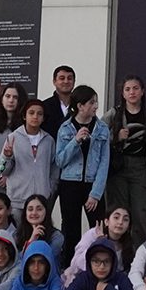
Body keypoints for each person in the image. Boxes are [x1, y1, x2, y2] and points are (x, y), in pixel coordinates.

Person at [107, 75, 146, 245]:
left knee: (141, 213)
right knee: (118, 213)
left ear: (142, 91)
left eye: (136, 88)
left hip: (141, 167)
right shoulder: (114, 113)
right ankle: (118, 255)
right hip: (118, 167)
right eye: (127, 89)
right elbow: (97, 136)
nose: (132, 92)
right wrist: (115, 136)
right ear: (122, 93)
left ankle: (142, 256)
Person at [55, 85, 110, 232]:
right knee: (71, 231)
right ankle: (71, 256)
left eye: (96, 102)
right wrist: (75, 141)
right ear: (80, 106)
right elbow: (60, 160)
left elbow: (104, 162)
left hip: (92, 184)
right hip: (70, 184)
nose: (96, 106)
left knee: (99, 230)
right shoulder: (65, 128)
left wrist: (96, 193)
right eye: (91, 102)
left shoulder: (102, 128)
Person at [0, 99, 58, 208]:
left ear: (43, 118)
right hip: (17, 201)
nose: (35, 116)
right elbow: (0, 170)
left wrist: (50, 188)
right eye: (31, 113)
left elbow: (54, 167)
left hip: (41, 201)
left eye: (39, 114)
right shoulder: (13, 138)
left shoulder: (49, 140)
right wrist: (6, 156)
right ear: (24, 116)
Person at [63, 205, 134, 287]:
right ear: (106, 221)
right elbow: (76, 264)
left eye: (125, 219)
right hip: (84, 280)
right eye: (116, 217)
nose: (120, 222)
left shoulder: (128, 244)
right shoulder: (93, 234)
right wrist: (99, 242)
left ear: (128, 226)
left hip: (110, 284)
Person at [15, 193, 63, 263]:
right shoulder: (16, 234)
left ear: (46, 212)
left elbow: (45, 261)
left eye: (39, 209)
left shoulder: (56, 236)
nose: (34, 213)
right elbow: (17, 262)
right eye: (30, 209)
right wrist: (31, 240)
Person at [44, 64, 76, 138]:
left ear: (74, 82)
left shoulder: (80, 106)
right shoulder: (45, 106)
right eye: (62, 78)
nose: (66, 81)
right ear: (54, 81)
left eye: (69, 78)